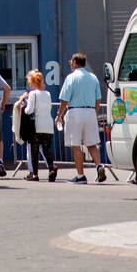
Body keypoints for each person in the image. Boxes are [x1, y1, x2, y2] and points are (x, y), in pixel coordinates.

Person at [56, 53, 106, 183]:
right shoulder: (93, 77)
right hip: (90, 112)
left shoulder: (71, 78)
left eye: (71, 62)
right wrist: (94, 112)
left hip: (75, 112)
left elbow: (64, 99)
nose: (70, 64)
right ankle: (99, 165)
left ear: (75, 62)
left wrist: (59, 115)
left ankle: (80, 175)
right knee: (92, 143)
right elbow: (98, 98)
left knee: (75, 144)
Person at [23, 69, 57, 182]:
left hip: (37, 125)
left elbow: (29, 110)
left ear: (32, 82)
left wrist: (23, 107)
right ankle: (51, 170)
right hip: (48, 124)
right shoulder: (47, 94)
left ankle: (35, 175)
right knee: (47, 149)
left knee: (34, 150)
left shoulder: (33, 94)